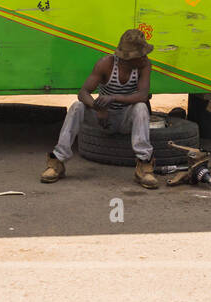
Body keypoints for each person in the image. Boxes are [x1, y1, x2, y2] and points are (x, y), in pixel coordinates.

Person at [41, 29, 157, 188]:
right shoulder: (106, 64)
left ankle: (144, 165)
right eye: (142, 55)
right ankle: (57, 162)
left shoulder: (144, 66)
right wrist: (98, 109)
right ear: (130, 58)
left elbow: (143, 95)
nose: (145, 57)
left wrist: (114, 98)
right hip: (103, 117)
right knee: (77, 107)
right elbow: (83, 93)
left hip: (125, 119)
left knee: (141, 108)